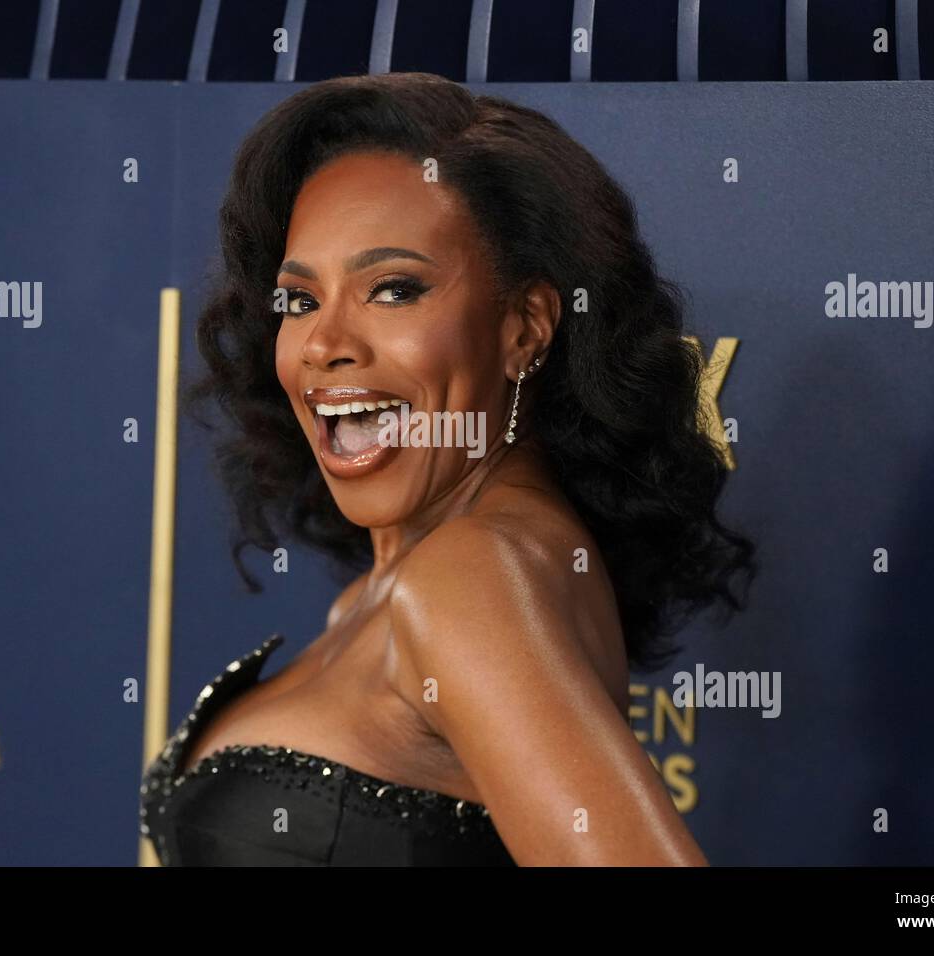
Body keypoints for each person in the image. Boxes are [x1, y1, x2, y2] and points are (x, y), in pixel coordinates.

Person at [140, 71, 755, 866]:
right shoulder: (411, 582)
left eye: (394, 289)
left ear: (525, 327)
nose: (325, 343)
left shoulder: (471, 576)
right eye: (299, 300)